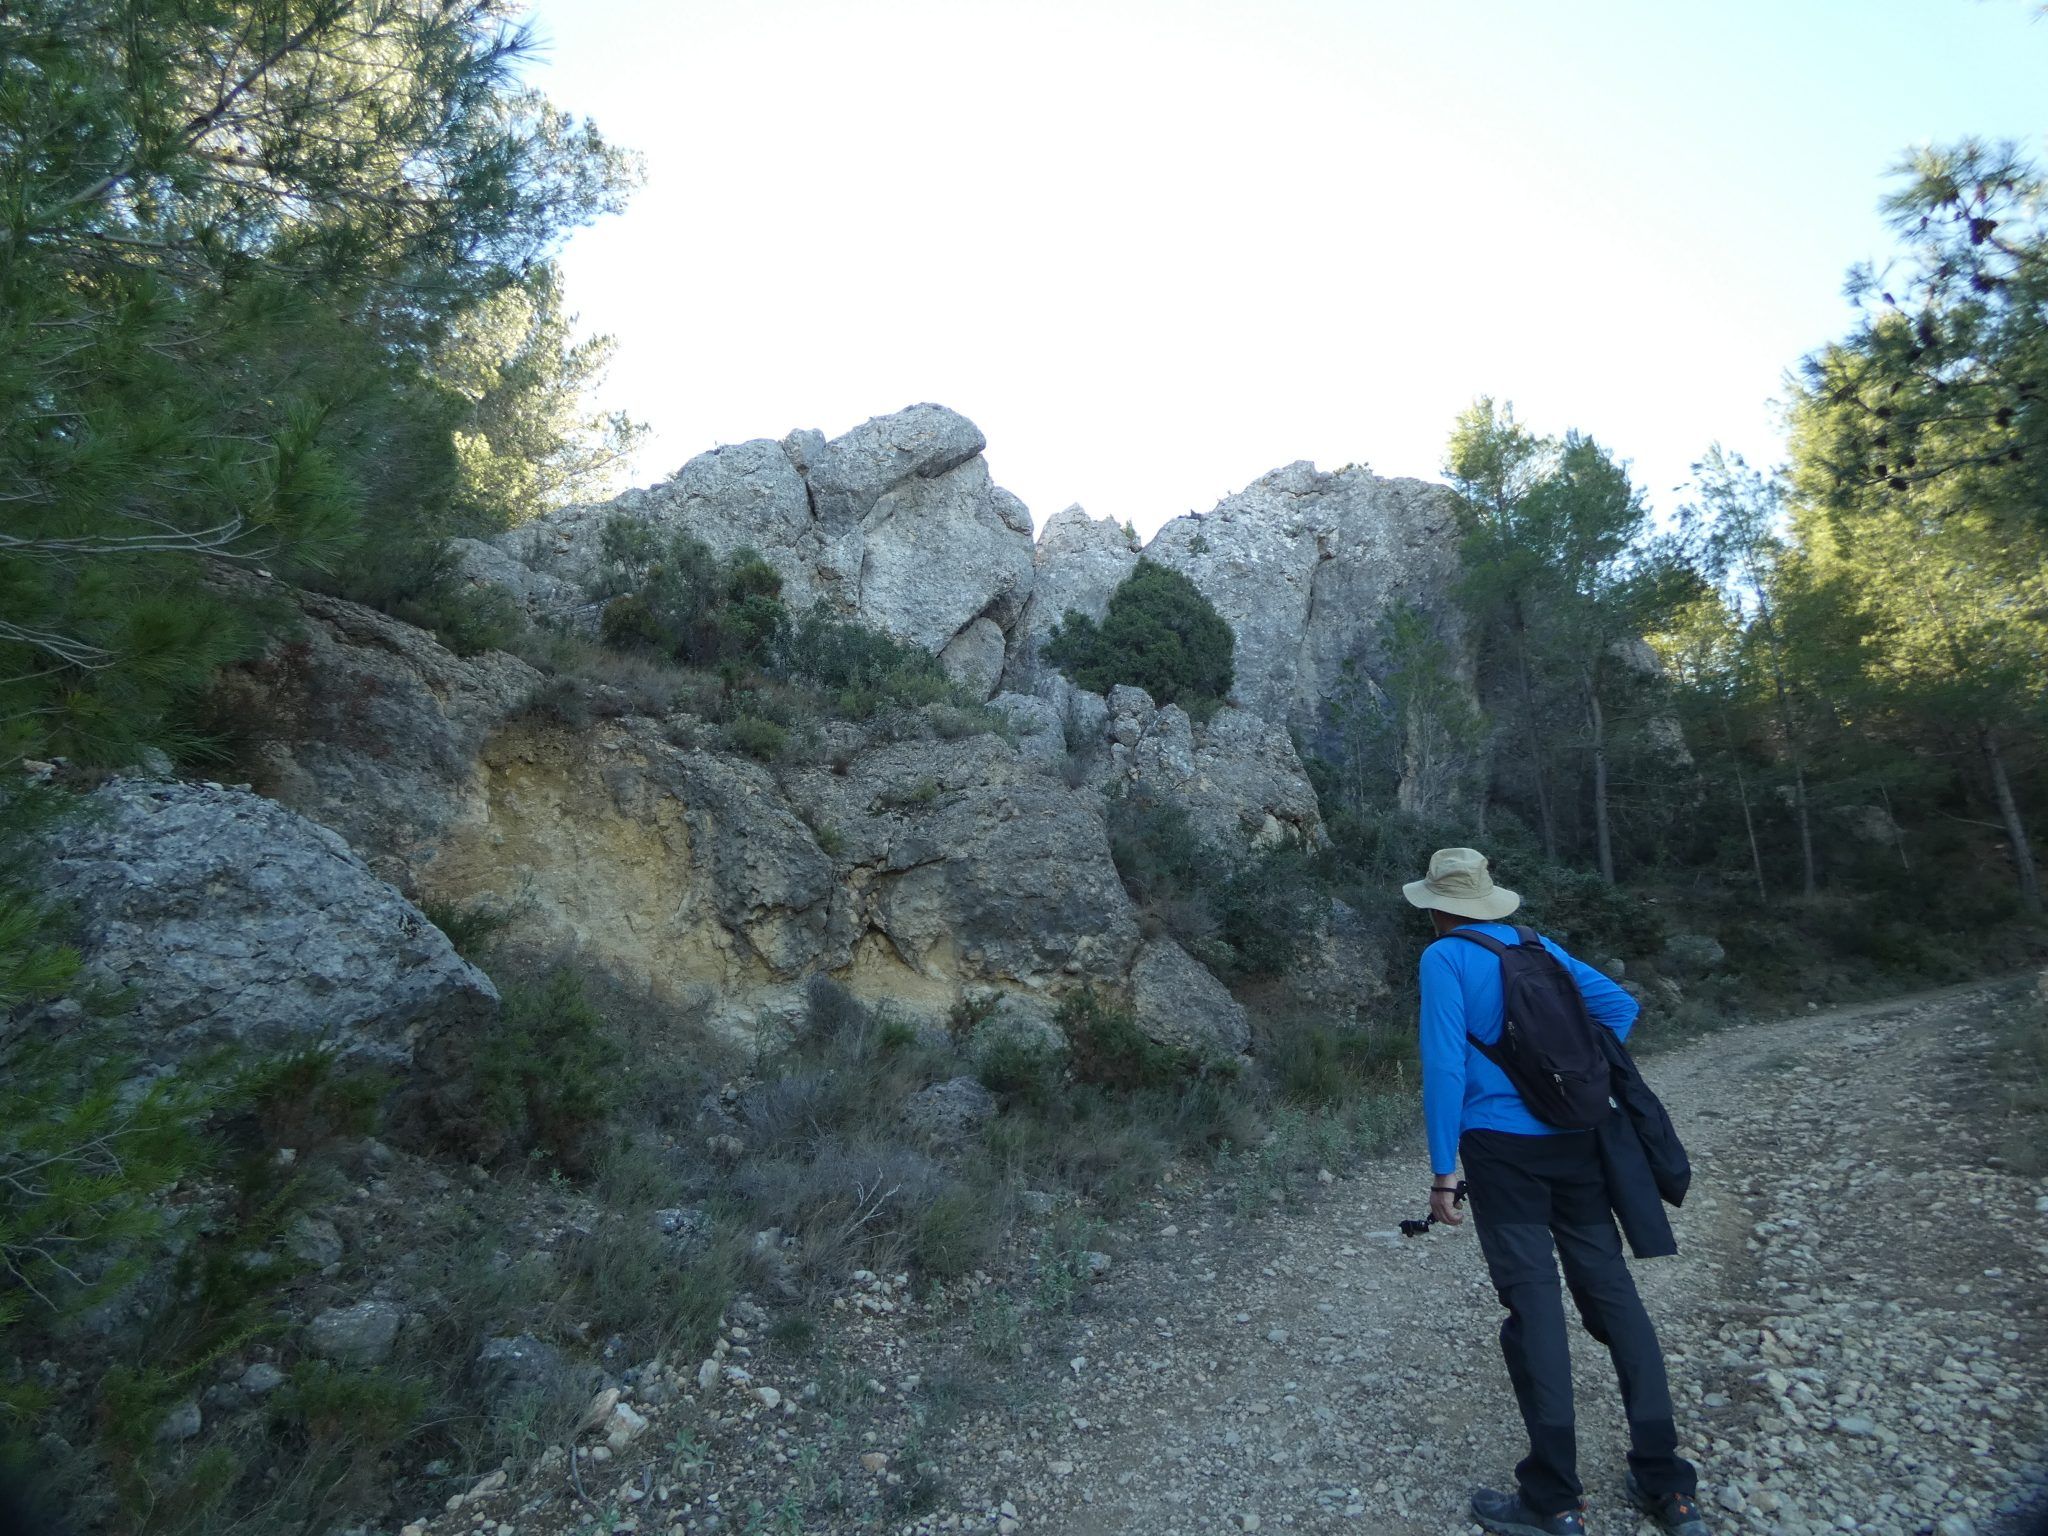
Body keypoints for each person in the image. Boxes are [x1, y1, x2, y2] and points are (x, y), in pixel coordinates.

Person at [1403, 846, 1707, 1536]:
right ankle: (1667, 1483)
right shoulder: (1537, 943)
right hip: (1579, 1142)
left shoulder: (1444, 958)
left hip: (1502, 1155)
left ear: (1436, 907)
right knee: (1612, 1294)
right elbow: (1619, 1009)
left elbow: (1445, 1064)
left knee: (1533, 1305)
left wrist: (1443, 1169)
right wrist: (1564, 1077)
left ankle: (1554, 1500)